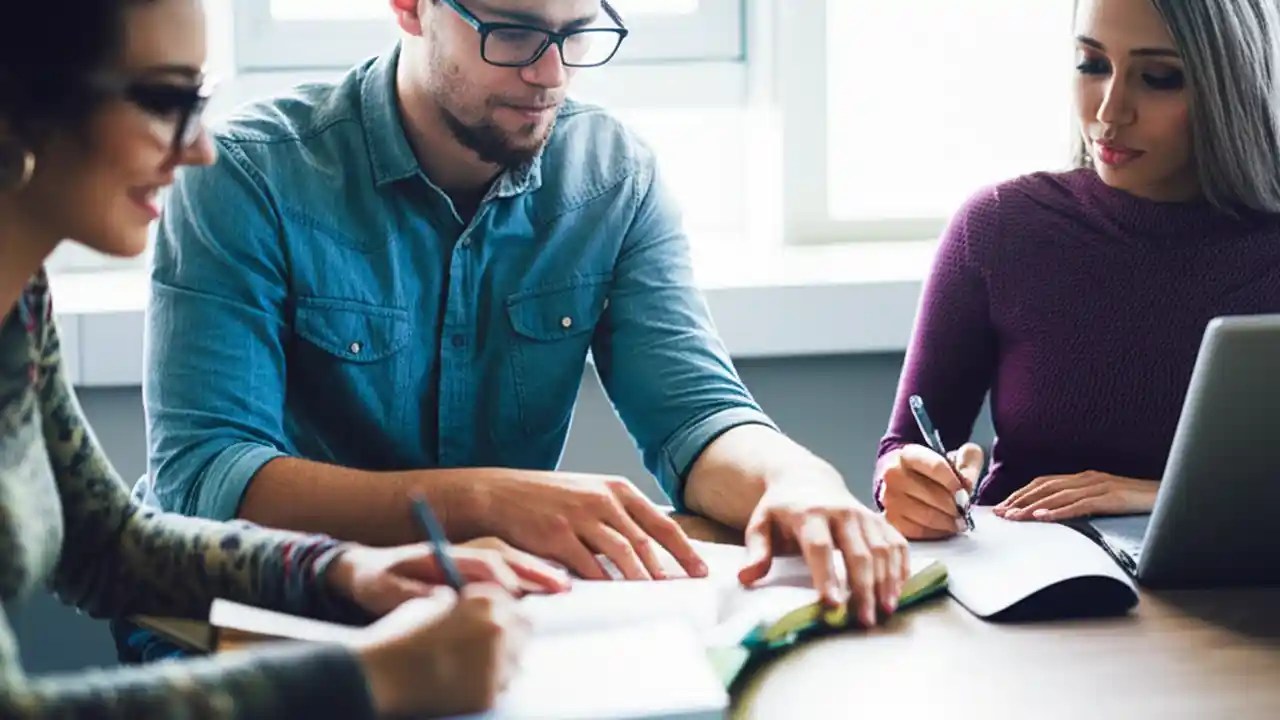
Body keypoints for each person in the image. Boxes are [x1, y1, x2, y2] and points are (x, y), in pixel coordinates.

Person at [138, 0, 910, 633]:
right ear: (411, 9)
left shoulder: (613, 177)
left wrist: (798, 479)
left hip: (494, 613)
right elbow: (204, 481)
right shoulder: (244, 174)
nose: (551, 73)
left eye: (577, 33)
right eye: (512, 32)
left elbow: (696, 416)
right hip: (272, 617)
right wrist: (485, 500)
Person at [0, 1, 572, 717]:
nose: (200, 148)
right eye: (163, 99)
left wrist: (344, 570)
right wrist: (373, 678)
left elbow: (104, 542)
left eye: (198, 100)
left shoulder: (19, 296)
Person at [875, 0, 1280, 540]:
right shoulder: (1000, 227)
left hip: (1230, 608)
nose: (1109, 113)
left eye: (1158, 77)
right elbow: (903, 449)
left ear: (1232, 83)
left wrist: (1158, 496)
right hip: (1028, 586)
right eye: (1091, 65)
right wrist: (906, 483)